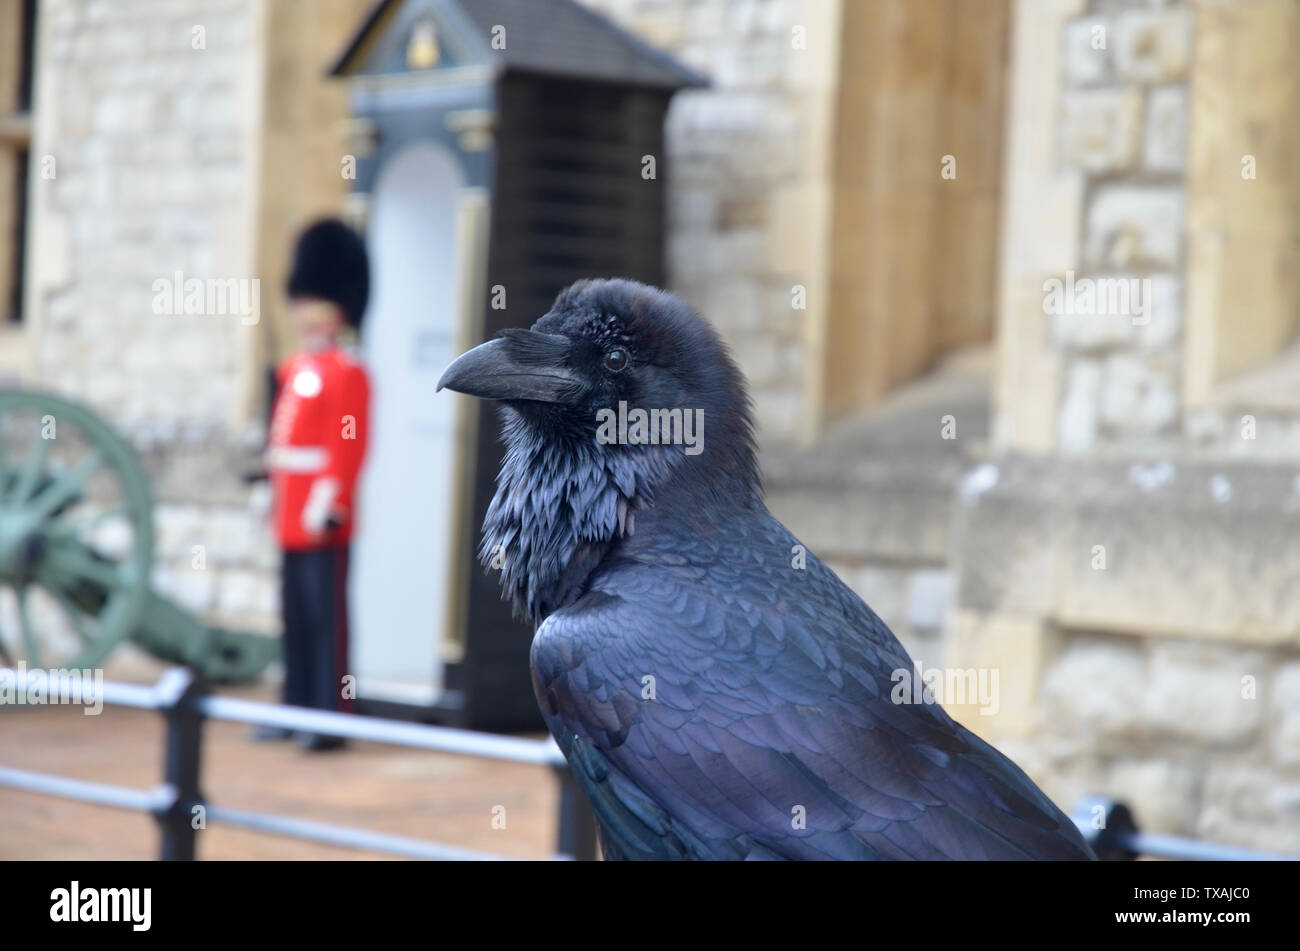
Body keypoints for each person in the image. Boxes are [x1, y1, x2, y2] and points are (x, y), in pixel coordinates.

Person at [255, 218, 371, 751]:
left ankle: (330, 718)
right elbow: (283, 443)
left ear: (337, 305)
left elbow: (346, 449)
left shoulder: (347, 372)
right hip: (289, 510)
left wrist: (331, 502)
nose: (303, 308)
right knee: (295, 621)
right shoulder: (295, 367)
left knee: (327, 622)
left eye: (312, 298)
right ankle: (295, 706)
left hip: (320, 515)